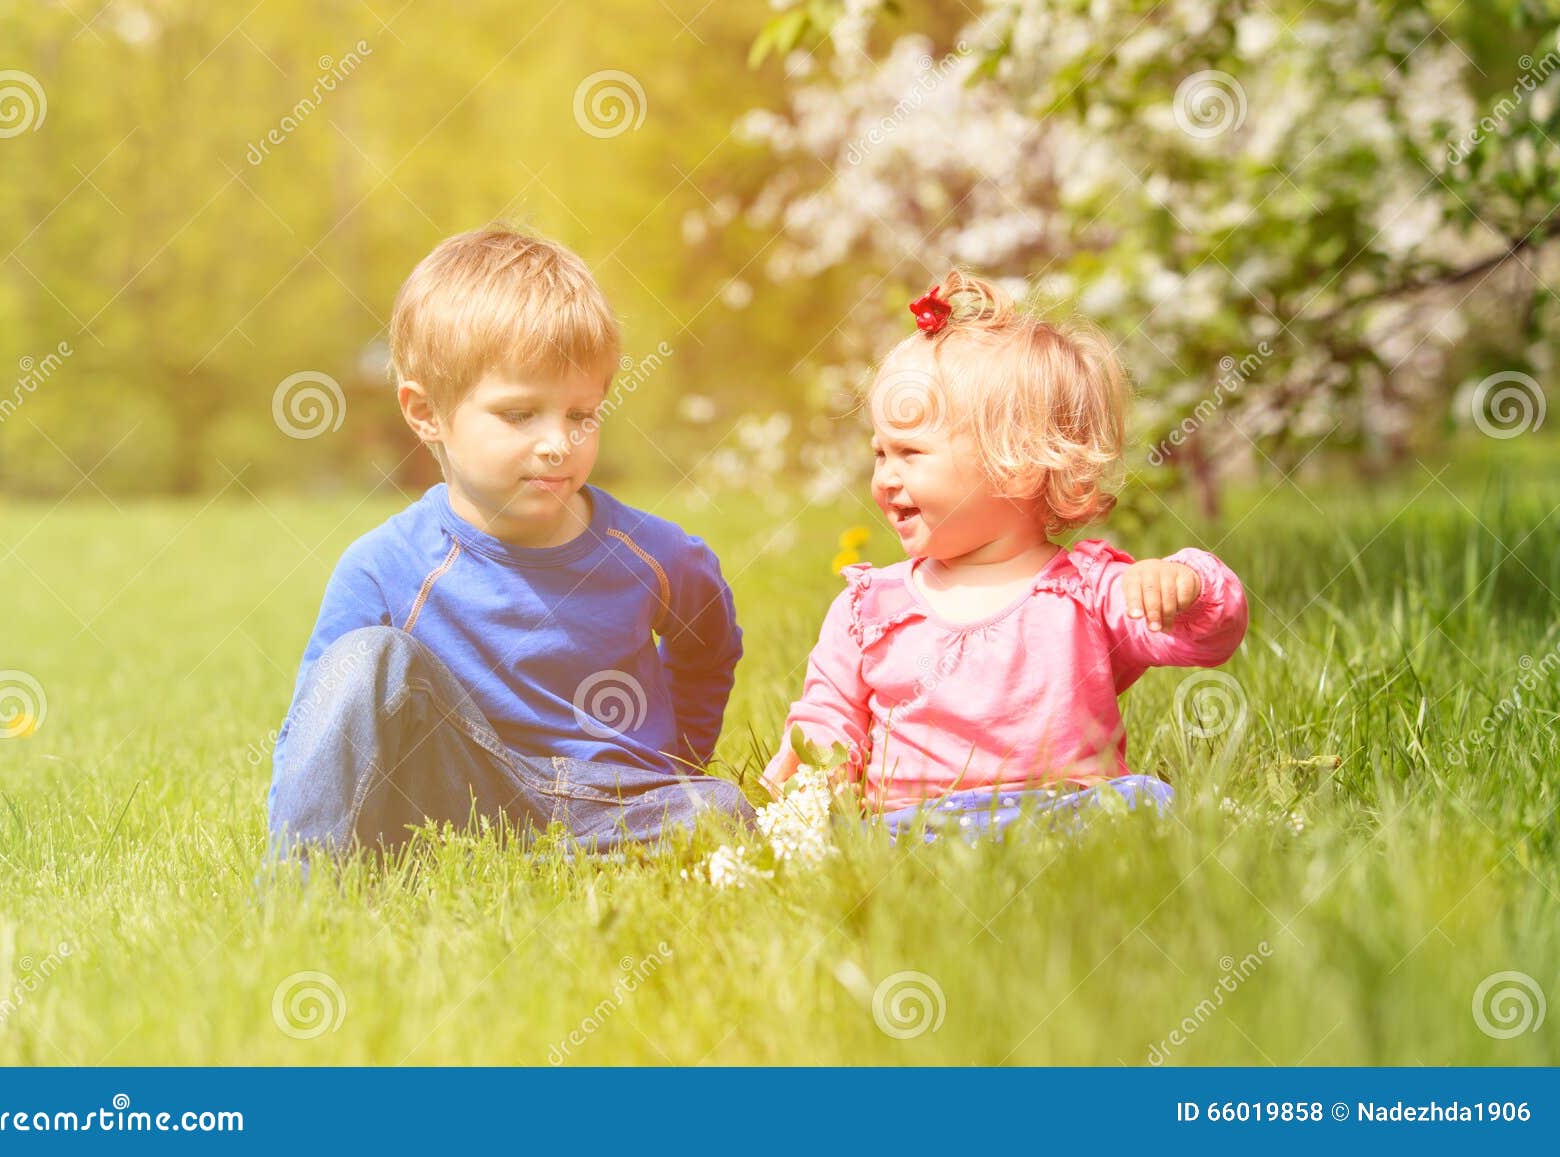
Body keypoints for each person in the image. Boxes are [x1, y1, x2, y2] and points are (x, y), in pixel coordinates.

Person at [267, 225, 749, 859]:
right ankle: (299, 893)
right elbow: (320, 729)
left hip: (609, 798)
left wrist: (680, 755)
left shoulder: (650, 554)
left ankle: (553, 856)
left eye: (581, 416)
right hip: (458, 797)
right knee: (364, 657)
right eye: (520, 415)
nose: (558, 443)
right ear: (426, 412)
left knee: (722, 812)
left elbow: (708, 643)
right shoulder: (385, 565)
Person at [763, 272, 1248, 840]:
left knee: (1144, 804)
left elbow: (1206, 638)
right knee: (865, 841)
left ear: (1015, 463)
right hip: (916, 825)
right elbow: (831, 712)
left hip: (1064, 811)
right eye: (880, 452)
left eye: (910, 453)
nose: (885, 478)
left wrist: (1184, 583)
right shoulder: (870, 608)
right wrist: (816, 777)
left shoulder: (1087, 592)